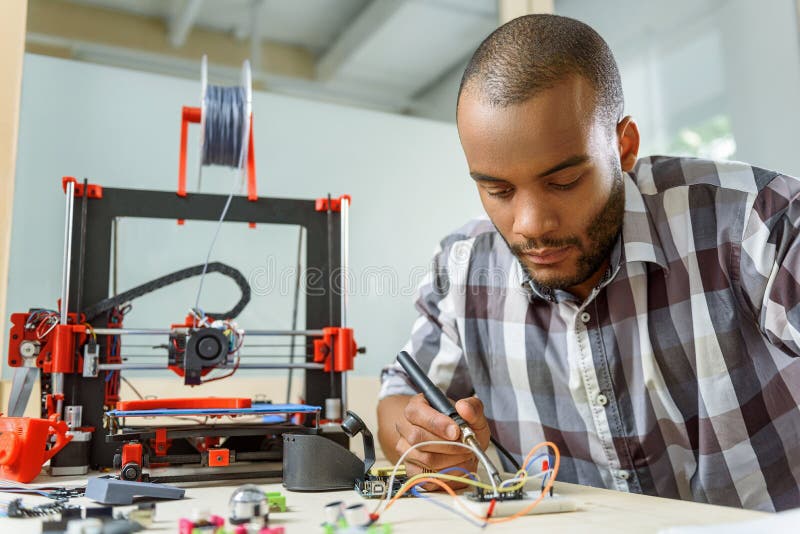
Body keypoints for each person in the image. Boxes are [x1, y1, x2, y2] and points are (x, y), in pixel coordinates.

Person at [376, 14, 800, 512]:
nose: (530, 224)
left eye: (563, 182)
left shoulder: (759, 222)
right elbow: (398, 400)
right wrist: (418, 434)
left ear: (624, 146)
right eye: (498, 190)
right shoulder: (465, 268)